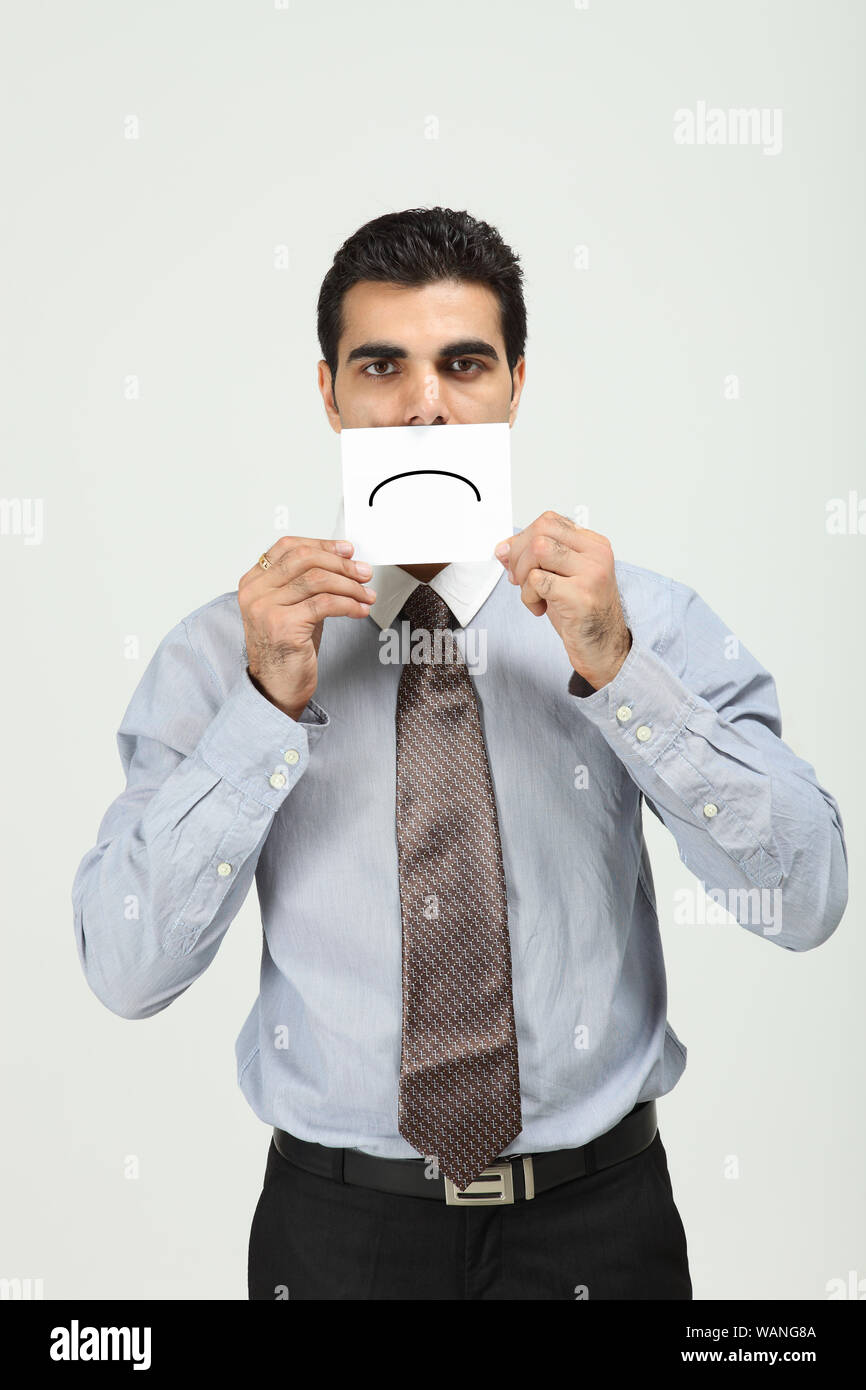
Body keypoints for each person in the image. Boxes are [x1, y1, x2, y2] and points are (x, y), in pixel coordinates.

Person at [72, 206, 848, 1301]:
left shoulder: (640, 622)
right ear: (329, 393)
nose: (425, 402)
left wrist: (619, 673)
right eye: (381, 364)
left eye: (463, 363)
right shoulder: (223, 650)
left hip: (598, 1229)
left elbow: (806, 894)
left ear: (515, 386)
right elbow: (125, 966)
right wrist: (261, 704)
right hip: (336, 1237)